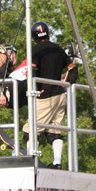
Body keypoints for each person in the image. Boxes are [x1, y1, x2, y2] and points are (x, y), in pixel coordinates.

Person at [25, 22, 73, 168]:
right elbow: (73, 69)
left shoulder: (35, 51)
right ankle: (57, 162)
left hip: (45, 96)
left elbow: (32, 72)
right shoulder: (59, 49)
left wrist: (38, 89)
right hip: (60, 95)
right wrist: (66, 85)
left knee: (31, 130)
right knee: (54, 132)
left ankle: (30, 161)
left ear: (34, 36)